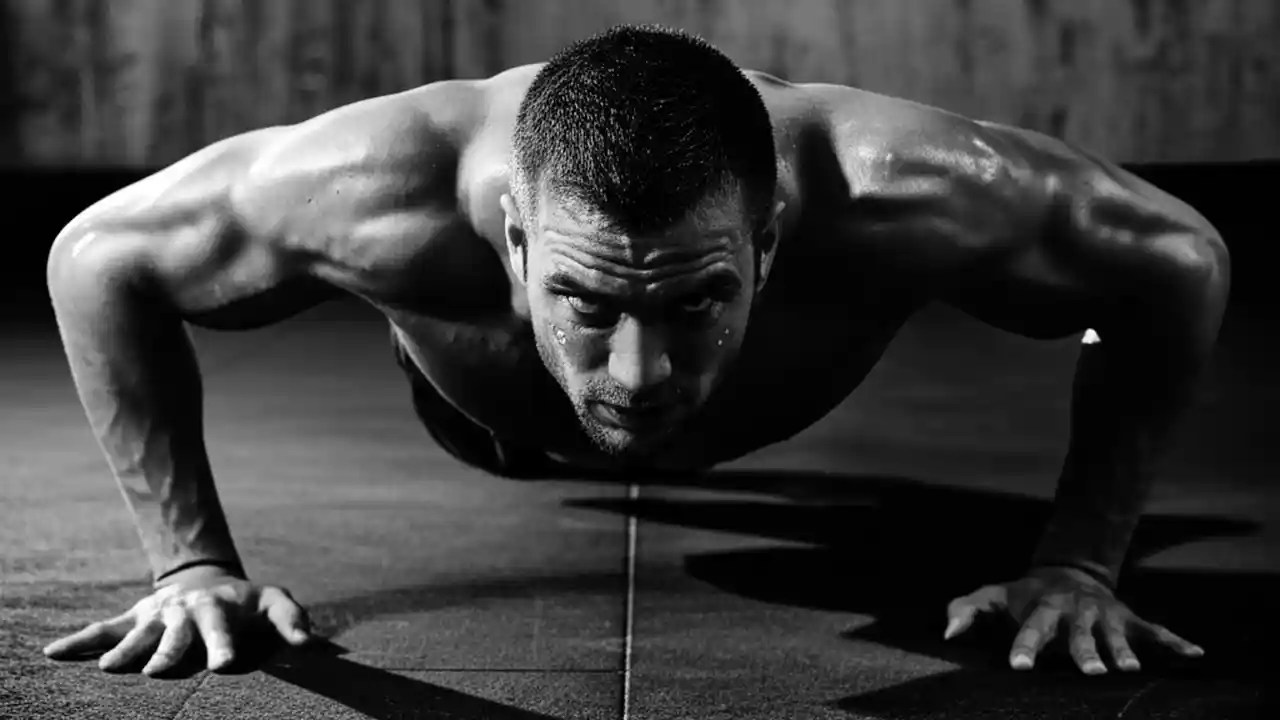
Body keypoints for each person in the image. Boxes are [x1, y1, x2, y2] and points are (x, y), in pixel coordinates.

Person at [42, 24, 1227, 679]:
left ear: (769, 240)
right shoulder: (369, 191)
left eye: (696, 300)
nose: (637, 372)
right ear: (511, 240)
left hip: (765, 386)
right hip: (486, 418)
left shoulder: (907, 195)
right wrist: (186, 567)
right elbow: (96, 258)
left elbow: (1176, 257)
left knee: (815, 554)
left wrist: (1080, 562)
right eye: (586, 303)